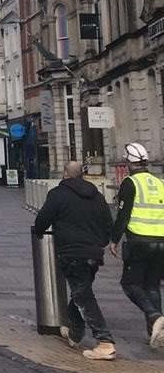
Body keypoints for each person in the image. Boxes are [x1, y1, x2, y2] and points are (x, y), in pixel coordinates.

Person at [33, 160, 116, 360]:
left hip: (71, 252)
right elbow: (108, 224)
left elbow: (43, 219)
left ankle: (105, 341)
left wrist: (38, 232)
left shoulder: (58, 194)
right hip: (93, 254)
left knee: (83, 296)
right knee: (81, 291)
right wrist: (99, 243)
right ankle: (75, 333)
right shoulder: (96, 195)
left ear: (64, 174)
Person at [110, 142, 164, 349]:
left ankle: (154, 315)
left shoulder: (130, 183)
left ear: (129, 162)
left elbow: (123, 215)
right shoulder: (158, 182)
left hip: (139, 241)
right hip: (160, 241)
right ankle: (156, 333)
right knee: (152, 285)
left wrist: (114, 239)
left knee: (130, 284)